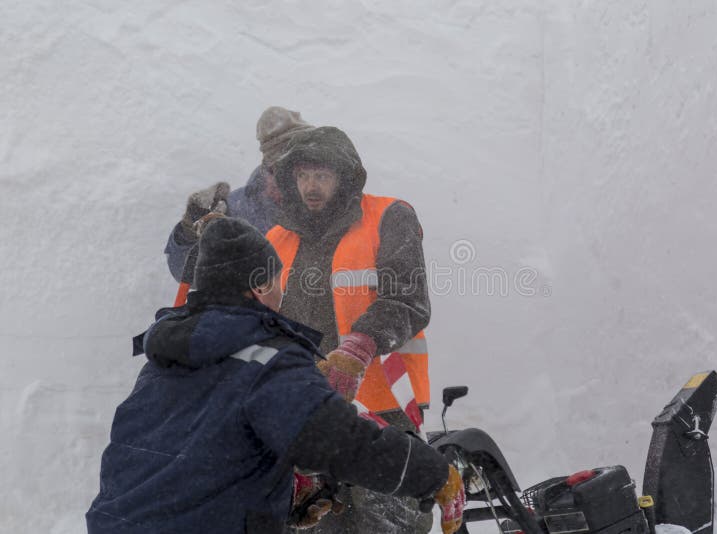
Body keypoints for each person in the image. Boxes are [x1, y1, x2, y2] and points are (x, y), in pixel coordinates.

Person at [86, 218, 464, 534]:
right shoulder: (268, 355)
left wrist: (272, 496)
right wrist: (433, 475)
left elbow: (189, 464)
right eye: (278, 278)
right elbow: (338, 441)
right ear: (261, 285)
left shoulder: (164, 360)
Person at [266, 126, 433, 532]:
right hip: (308, 413)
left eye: (321, 175)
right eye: (303, 175)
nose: (311, 186)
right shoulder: (276, 238)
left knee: (385, 525)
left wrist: (360, 344)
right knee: (315, 526)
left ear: (345, 176)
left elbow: (409, 299)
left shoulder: (389, 216)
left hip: (383, 408)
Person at [164, 106, 314, 283]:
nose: (291, 182)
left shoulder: (334, 207)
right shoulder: (236, 212)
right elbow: (190, 275)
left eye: (301, 172)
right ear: (267, 170)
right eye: (280, 171)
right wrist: (190, 233)